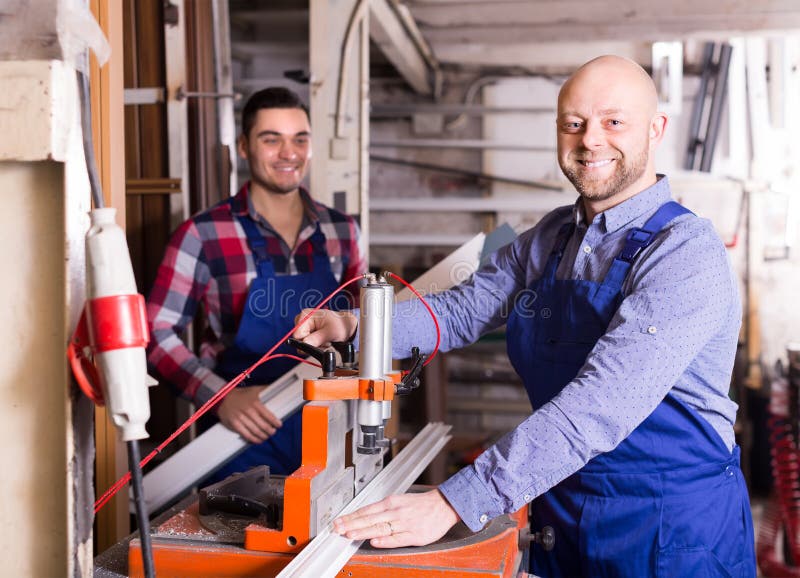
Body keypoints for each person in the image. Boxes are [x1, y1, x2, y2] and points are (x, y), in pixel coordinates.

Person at [293, 56, 756, 576]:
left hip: (669, 532)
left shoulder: (685, 253)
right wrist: (359, 329)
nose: (590, 140)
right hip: (565, 509)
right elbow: (464, 309)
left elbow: (598, 406)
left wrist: (454, 502)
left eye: (614, 122)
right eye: (573, 124)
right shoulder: (552, 236)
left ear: (657, 129)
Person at [147, 87, 365, 481]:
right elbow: (156, 331)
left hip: (331, 426)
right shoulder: (203, 234)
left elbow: (361, 324)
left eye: (300, 139)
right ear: (244, 147)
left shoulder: (343, 231)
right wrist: (218, 396)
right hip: (242, 434)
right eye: (272, 139)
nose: (289, 153)